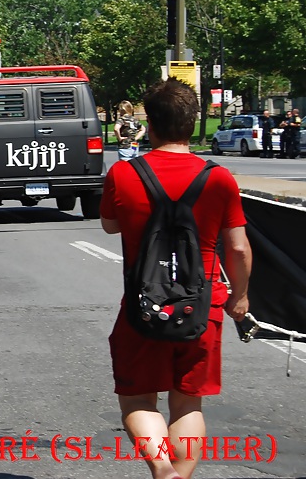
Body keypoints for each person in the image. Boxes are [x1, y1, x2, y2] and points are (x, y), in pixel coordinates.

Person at [100, 77, 252, 479]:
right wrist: (240, 297)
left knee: (137, 399)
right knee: (188, 403)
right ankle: (178, 477)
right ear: (193, 121)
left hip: (142, 305)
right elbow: (237, 247)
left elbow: (110, 226)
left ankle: (163, 471)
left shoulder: (124, 174)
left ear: (149, 124)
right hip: (203, 305)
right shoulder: (218, 178)